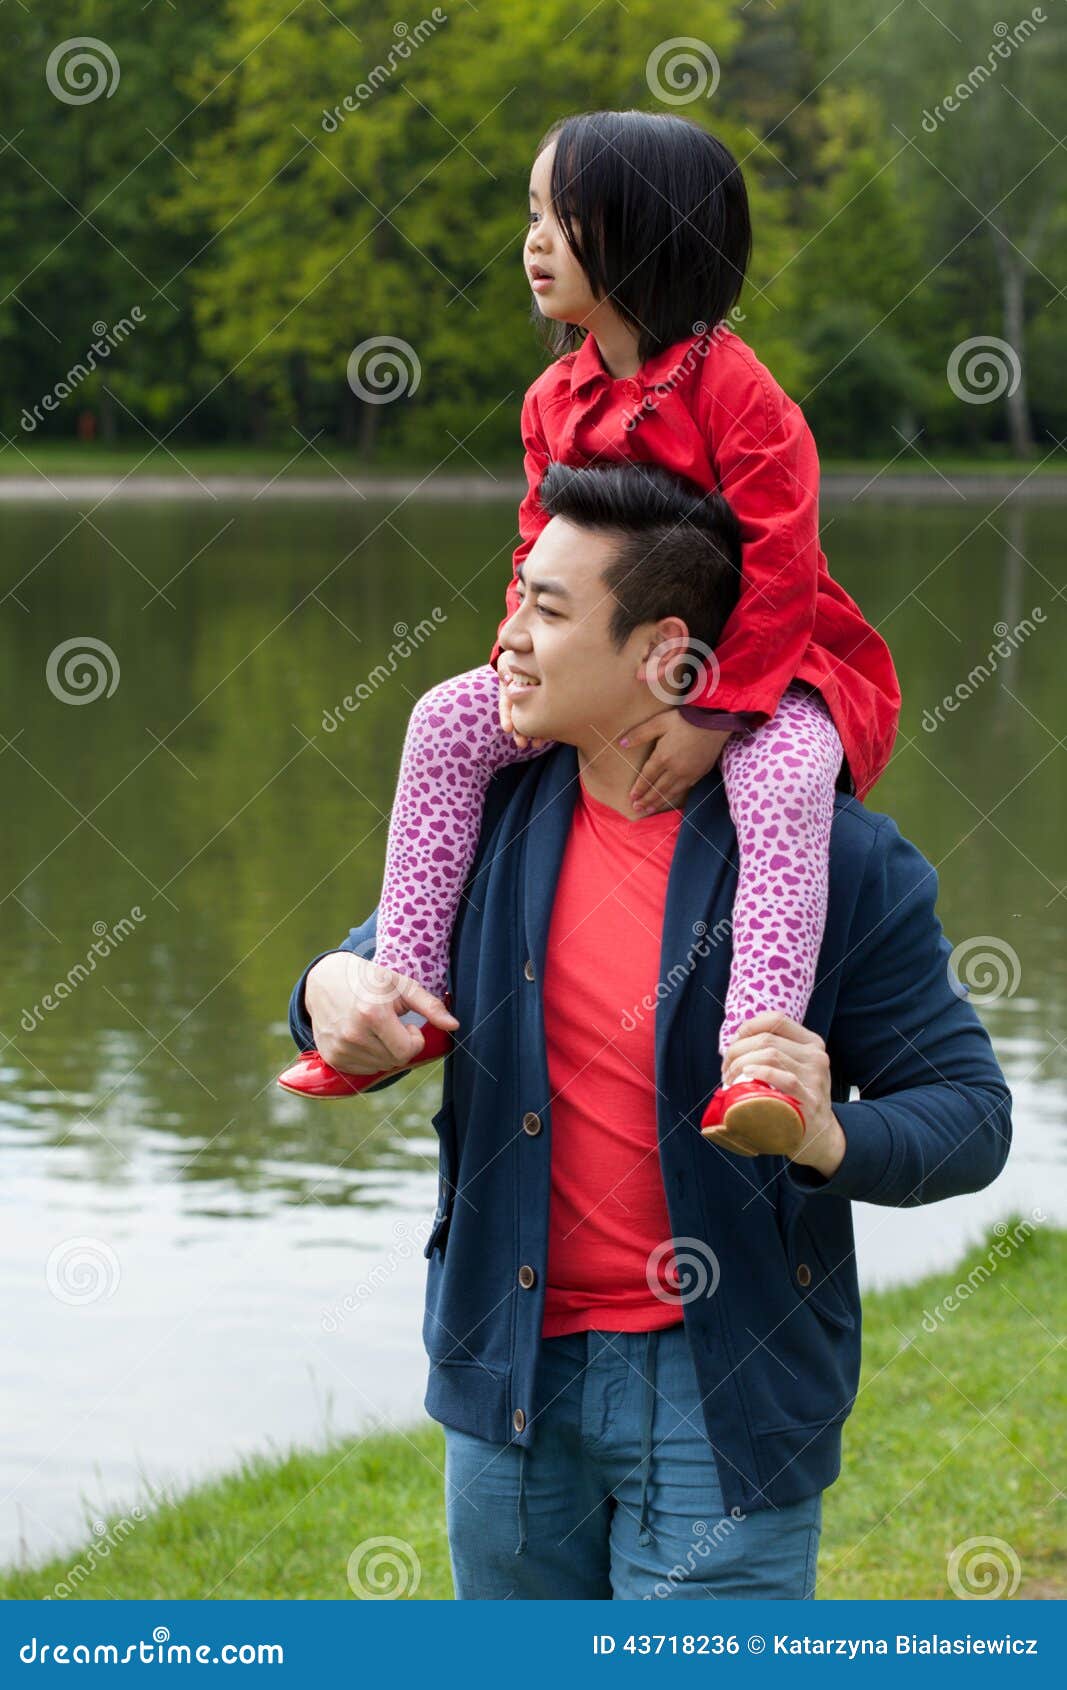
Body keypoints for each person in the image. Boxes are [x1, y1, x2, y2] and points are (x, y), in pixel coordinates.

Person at [284, 462, 1011, 1601]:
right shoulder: (488, 816)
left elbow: (970, 1121)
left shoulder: (836, 862)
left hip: (723, 1400)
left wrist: (824, 1136)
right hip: (505, 1384)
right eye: (516, 595)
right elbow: (373, 979)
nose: (508, 639)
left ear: (664, 654)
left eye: (548, 610)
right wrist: (326, 988)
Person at [278, 108, 900, 1146]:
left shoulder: (735, 393)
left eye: (562, 218)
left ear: (647, 233)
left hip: (765, 660)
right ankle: (405, 995)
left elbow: (783, 569)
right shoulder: (551, 401)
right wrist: (518, 663)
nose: (532, 242)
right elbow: (537, 558)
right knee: (445, 720)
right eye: (530, 215)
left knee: (785, 777)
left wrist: (712, 713)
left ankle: (761, 1062)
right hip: (600, 660)